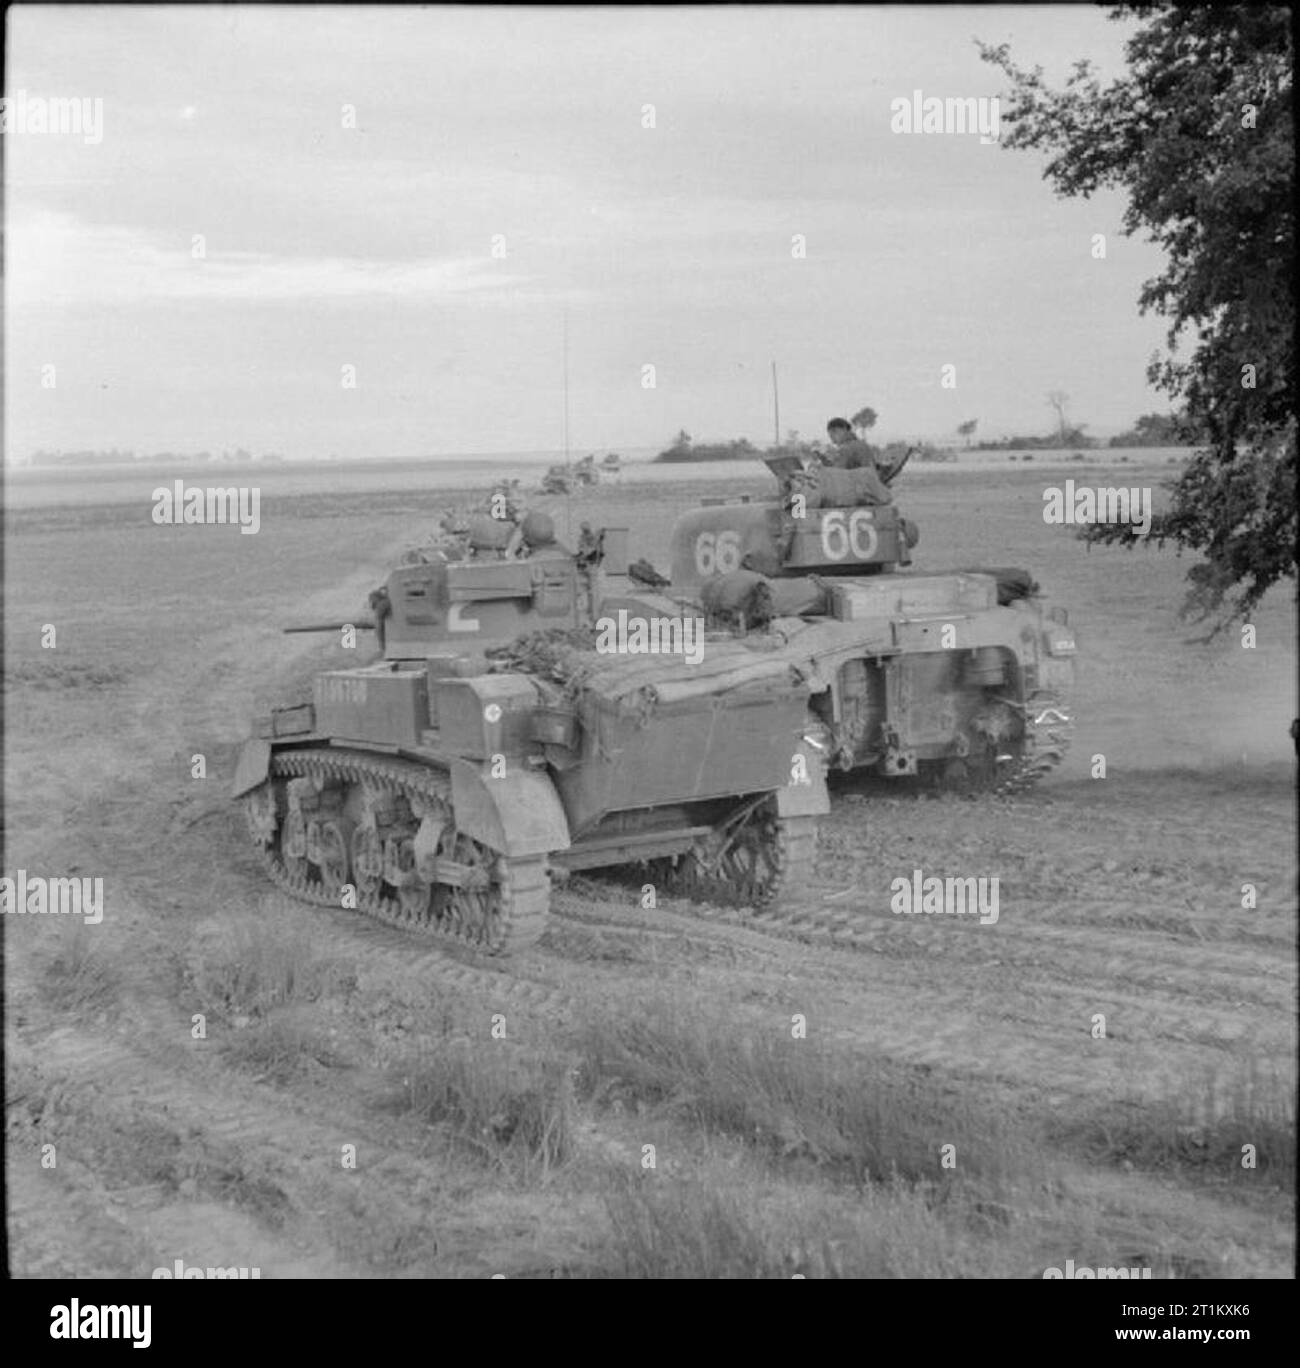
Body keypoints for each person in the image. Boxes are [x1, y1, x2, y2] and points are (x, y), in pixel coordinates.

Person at [822, 417, 892, 504]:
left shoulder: (846, 448)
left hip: (858, 490)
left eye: (833, 435)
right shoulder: (862, 445)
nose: (832, 440)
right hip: (870, 488)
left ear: (843, 430)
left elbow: (838, 473)